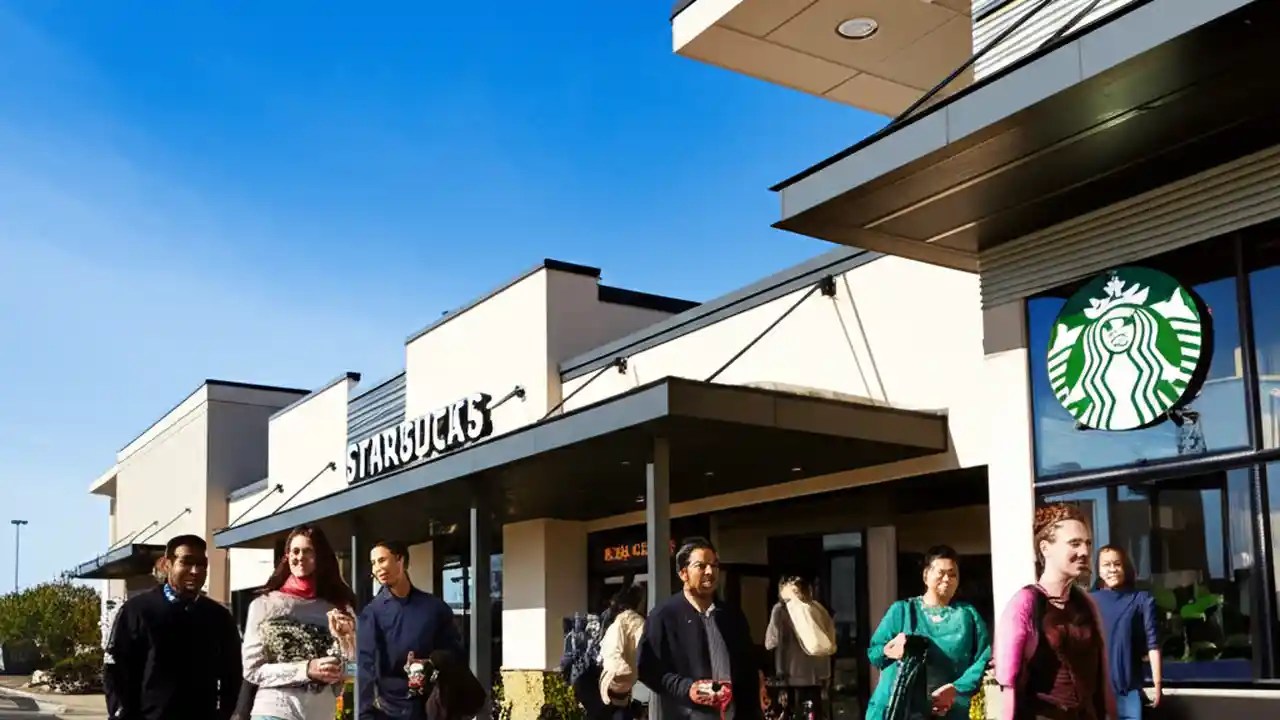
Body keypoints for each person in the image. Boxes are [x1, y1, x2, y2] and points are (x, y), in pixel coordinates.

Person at [996, 504, 1116, 720]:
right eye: (1074, 543)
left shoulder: (1086, 603)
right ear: (1045, 548)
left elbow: (1102, 673)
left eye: (1088, 543)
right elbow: (1008, 680)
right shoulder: (1025, 603)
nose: (1085, 552)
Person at [103, 534, 242, 720]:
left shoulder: (219, 617)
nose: (195, 571)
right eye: (186, 562)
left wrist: (224, 714)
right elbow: (115, 670)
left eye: (202, 564)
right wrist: (122, 712)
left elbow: (232, 676)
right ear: (167, 564)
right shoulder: (137, 611)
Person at [637, 537, 765, 720]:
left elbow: (747, 667)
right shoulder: (663, 616)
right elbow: (648, 669)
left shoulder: (731, 615)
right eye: (701, 566)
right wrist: (687, 689)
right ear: (683, 573)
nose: (709, 572)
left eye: (714, 565)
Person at [241, 525, 357, 720]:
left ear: (320, 557)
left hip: (320, 714)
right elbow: (252, 670)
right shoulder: (264, 605)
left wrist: (349, 641)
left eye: (308, 551)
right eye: (295, 551)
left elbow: (354, 672)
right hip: (274, 711)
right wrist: (307, 669)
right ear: (287, 557)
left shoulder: (340, 608)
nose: (300, 557)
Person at [865, 546, 991, 720]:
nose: (947, 579)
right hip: (899, 710)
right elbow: (874, 653)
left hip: (949, 712)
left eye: (952, 574)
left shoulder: (968, 616)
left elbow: (983, 658)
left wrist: (956, 689)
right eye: (941, 573)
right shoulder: (902, 611)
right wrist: (889, 650)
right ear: (926, 575)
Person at [357, 540, 467, 720]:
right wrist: (364, 714)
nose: (377, 568)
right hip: (388, 710)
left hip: (432, 707)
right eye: (373, 563)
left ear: (400, 560)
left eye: (382, 560)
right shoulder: (371, 614)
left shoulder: (435, 608)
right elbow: (364, 668)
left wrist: (430, 663)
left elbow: (456, 654)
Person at [1092, 545, 1162, 719]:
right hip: (1098, 693)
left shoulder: (1142, 600)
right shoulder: (1089, 602)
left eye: (1117, 564)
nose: (1112, 569)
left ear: (1125, 567)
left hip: (1129, 691)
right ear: (1098, 570)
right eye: (1106, 565)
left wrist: (1157, 684)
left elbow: (1153, 643)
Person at [765, 577, 835, 720]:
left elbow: (772, 642)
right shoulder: (817, 609)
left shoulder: (782, 610)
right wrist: (825, 677)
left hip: (793, 677)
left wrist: (780, 676)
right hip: (811, 677)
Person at [600, 584, 648, 720]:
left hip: (617, 675)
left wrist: (620, 668)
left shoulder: (620, 623)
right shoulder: (639, 623)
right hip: (626, 676)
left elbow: (614, 648)